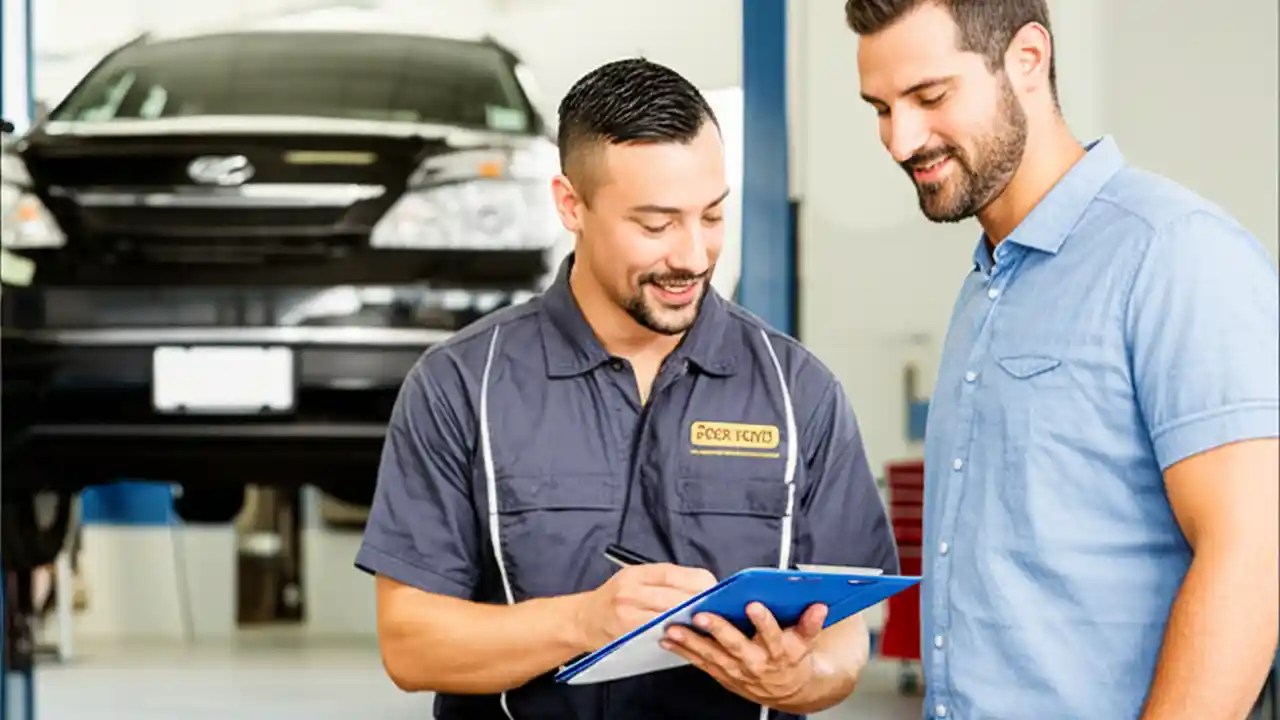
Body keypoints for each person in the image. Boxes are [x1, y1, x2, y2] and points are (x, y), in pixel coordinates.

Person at [354, 58, 899, 720]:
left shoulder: (799, 392)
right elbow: (411, 645)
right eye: (656, 224)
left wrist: (804, 678)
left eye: (712, 216)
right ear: (570, 205)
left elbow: (844, 635)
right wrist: (584, 621)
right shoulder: (460, 387)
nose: (693, 256)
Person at [844, 1, 1280, 718]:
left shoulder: (1172, 253)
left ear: (1027, 59)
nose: (900, 139)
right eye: (881, 108)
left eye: (930, 97)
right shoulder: (987, 288)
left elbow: (1252, 557)